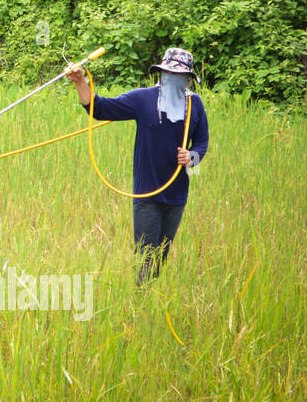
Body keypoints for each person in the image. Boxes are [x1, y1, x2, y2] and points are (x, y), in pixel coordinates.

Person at [66, 47, 210, 284]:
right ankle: (140, 302)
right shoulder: (143, 99)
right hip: (147, 195)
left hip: (177, 196)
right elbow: (99, 108)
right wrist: (80, 80)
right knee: (146, 256)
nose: (174, 79)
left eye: (180, 76)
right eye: (169, 74)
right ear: (161, 74)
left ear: (188, 79)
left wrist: (192, 157)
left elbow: (202, 141)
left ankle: (150, 298)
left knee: (161, 256)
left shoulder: (195, 104)